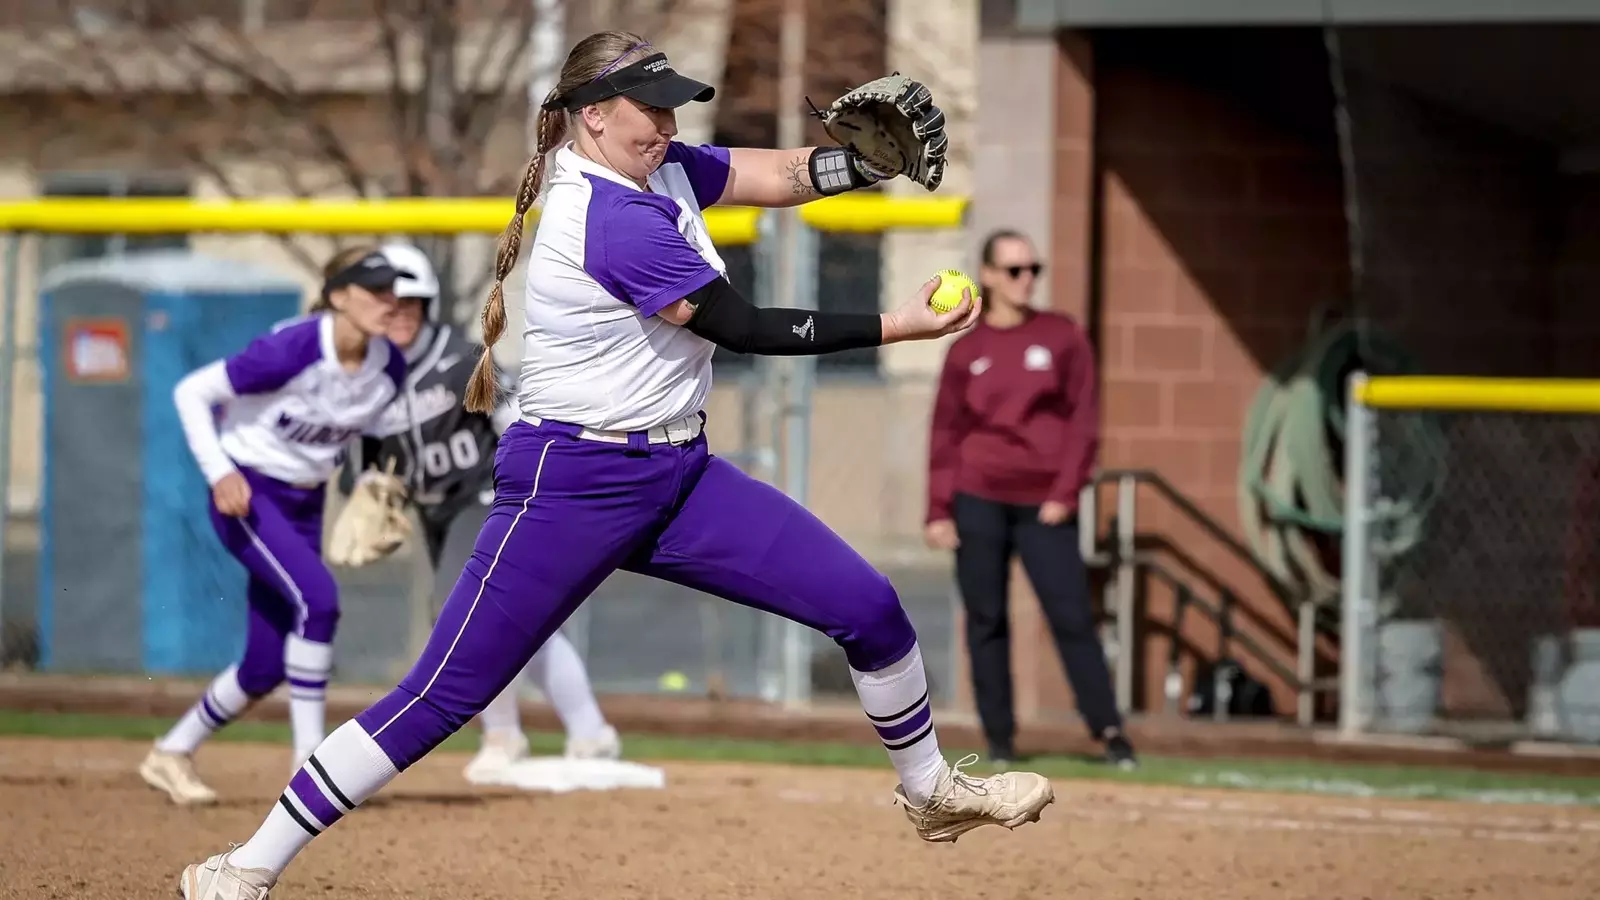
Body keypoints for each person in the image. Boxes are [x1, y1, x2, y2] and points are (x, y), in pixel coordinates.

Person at [177, 32, 1055, 898]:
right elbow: (740, 327)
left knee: (868, 605)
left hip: (679, 476)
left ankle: (929, 789)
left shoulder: (656, 168)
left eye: (673, 105)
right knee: (442, 695)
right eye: (651, 106)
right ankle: (246, 868)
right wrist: (893, 328)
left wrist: (858, 167)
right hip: (571, 482)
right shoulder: (604, 214)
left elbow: (770, 176)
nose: (668, 123)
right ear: (592, 116)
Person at [139, 247, 410, 806]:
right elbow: (191, 391)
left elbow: (366, 433)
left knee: (263, 667)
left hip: (305, 505)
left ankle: (171, 752)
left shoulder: (391, 367)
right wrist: (219, 473)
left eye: (394, 290)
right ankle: (309, 764)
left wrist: (370, 484)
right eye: (374, 289)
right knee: (321, 602)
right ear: (338, 296)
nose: (391, 300)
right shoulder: (295, 347)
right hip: (249, 496)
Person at [348, 241, 621, 784]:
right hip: (433, 515)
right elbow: (367, 462)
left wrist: (539, 486)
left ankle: (504, 734)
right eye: (387, 305)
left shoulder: (457, 358)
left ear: (426, 305)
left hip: (486, 499)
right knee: (521, 622)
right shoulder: (371, 378)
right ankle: (590, 730)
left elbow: (515, 416)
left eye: (409, 304)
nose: (398, 315)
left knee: (467, 615)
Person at [925, 228, 1136, 771]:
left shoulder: (1062, 336)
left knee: (1070, 615)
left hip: (1044, 503)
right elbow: (945, 434)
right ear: (989, 276)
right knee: (986, 619)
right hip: (978, 498)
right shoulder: (966, 350)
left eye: (1033, 270)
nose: (1027, 280)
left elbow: (1083, 421)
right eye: (1015, 270)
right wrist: (938, 510)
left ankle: (1109, 731)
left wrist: (1067, 491)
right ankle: (999, 740)